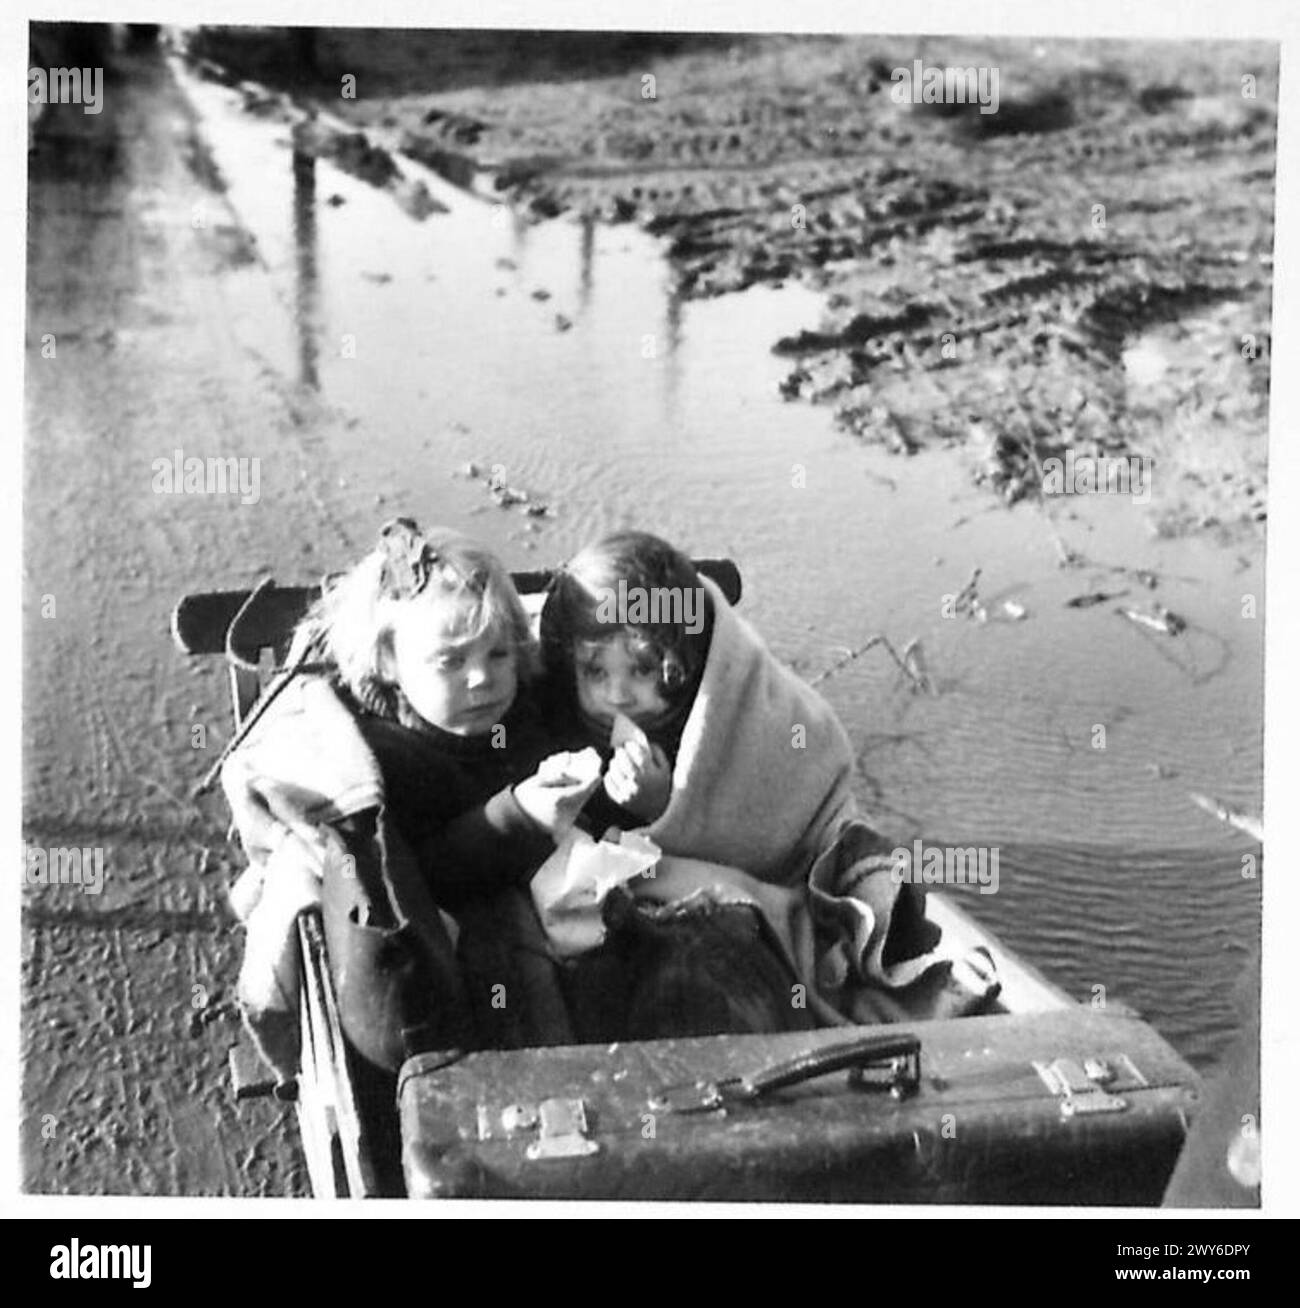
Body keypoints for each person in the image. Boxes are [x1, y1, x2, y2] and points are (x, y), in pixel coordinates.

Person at [536, 530, 990, 1040]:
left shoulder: (754, 708)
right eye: (595, 671)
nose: (617, 694)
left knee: (706, 980)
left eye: (641, 669)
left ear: (680, 661)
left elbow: (783, 833)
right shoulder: (557, 714)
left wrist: (664, 807)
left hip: (748, 905)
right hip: (633, 915)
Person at [223, 520, 596, 1115]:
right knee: (514, 1004)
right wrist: (520, 815)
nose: (482, 678)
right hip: (461, 946)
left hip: (553, 910)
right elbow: (416, 875)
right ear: (391, 662)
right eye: (450, 662)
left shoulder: (520, 715)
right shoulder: (383, 760)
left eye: (498, 652)